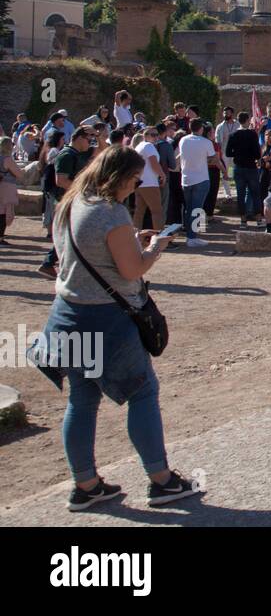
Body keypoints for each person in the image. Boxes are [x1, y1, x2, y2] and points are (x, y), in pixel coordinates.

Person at [39, 145, 197, 510]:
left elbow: (79, 256)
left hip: (68, 313)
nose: (136, 186)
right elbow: (132, 270)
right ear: (119, 177)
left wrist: (130, 241)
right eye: (134, 180)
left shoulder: (71, 203)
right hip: (106, 318)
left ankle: (86, 484)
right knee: (142, 393)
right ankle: (161, 480)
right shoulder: (111, 214)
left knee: (82, 400)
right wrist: (155, 248)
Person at [39, 127, 94, 277]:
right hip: (68, 200)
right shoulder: (67, 155)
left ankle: (50, 263)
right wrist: (82, 191)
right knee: (69, 235)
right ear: (79, 138)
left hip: (73, 199)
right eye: (89, 139)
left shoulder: (76, 154)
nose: (90, 142)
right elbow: (61, 180)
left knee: (71, 235)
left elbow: (102, 150)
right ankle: (50, 263)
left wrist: (99, 136)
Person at [176, 118, 216, 247]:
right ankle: (192, 237)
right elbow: (213, 159)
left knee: (189, 208)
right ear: (201, 128)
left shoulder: (183, 140)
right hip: (201, 178)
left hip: (186, 178)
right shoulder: (206, 142)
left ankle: (190, 234)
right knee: (197, 208)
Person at [225, 112, 264, 225]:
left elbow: (228, 153)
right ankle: (258, 219)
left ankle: (243, 219)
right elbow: (257, 154)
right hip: (251, 167)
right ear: (247, 120)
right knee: (255, 193)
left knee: (240, 194)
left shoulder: (233, 135)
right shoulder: (252, 134)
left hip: (238, 167)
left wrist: (237, 153)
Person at [131, 126, 166, 230]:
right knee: (157, 211)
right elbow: (154, 163)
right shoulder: (148, 146)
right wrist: (162, 175)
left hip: (140, 183)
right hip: (150, 183)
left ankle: (136, 237)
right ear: (145, 136)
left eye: (157, 135)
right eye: (153, 135)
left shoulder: (139, 147)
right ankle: (159, 237)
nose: (156, 137)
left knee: (139, 212)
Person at [0, 136, 22, 244]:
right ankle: (0, 237)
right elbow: (19, 173)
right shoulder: (7, 159)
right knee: (4, 212)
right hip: (6, 186)